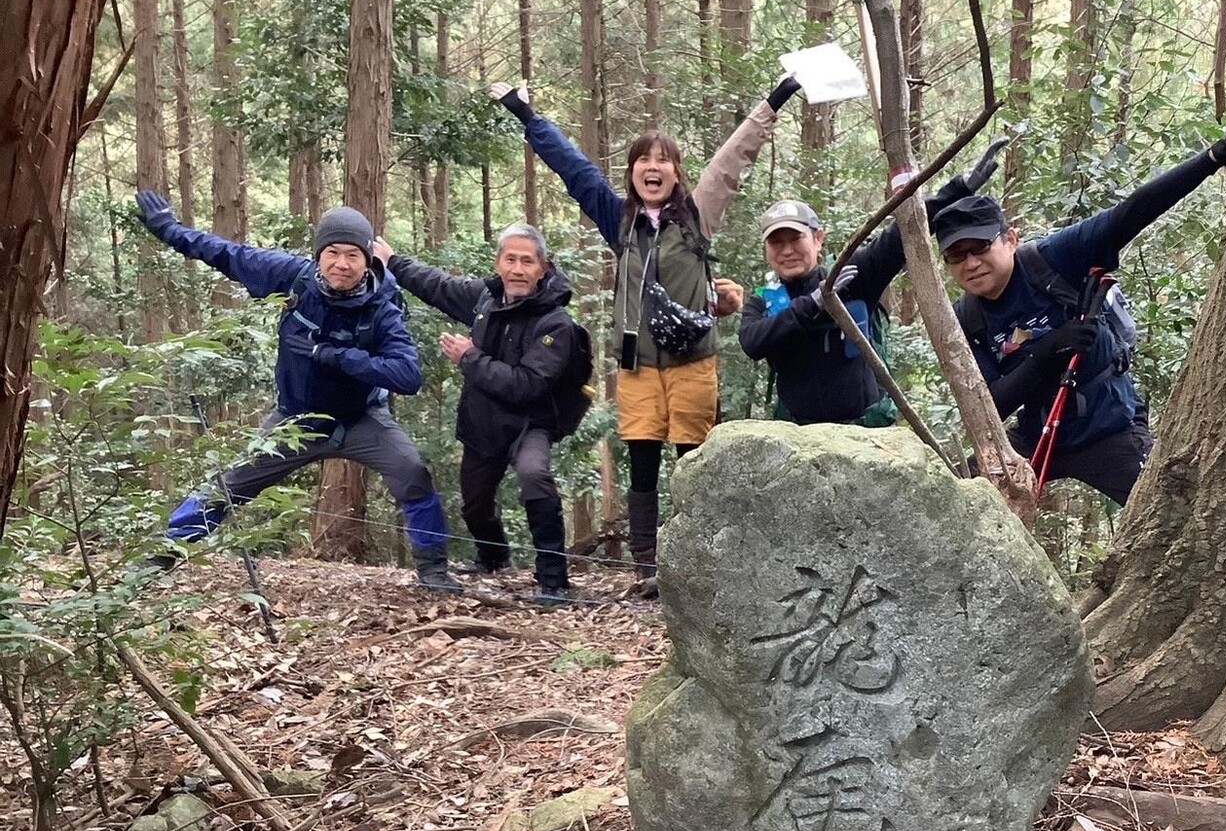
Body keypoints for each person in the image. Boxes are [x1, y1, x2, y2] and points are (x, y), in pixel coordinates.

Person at [490, 76, 801, 594]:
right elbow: (572, 168)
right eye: (643, 160)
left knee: (692, 463)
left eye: (663, 160)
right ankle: (648, 569)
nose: (652, 168)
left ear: (676, 172)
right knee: (641, 463)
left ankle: (700, 563)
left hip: (692, 362)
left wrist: (774, 100)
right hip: (637, 365)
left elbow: (732, 159)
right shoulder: (620, 221)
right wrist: (525, 114)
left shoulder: (697, 217)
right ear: (633, 172)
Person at [134, 192, 463, 593]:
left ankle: (434, 572)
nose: (342, 263)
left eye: (353, 255)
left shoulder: (382, 306)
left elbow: (408, 375)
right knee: (230, 484)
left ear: (368, 261)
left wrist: (338, 356)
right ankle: (163, 555)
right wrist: (169, 230)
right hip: (295, 419)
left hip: (362, 421)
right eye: (333, 252)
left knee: (412, 473)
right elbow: (225, 253)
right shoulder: (294, 277)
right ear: (319, 255)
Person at [936, 116, 1226, 505]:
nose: (970, 264)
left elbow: (1132, 212)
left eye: (980, 248)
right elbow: (992, 405)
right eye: (956, 256)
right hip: (1033, 437)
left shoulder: (1053, 258)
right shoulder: (965, 317)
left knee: (1165, 515)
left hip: (1109, 428)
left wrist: (1215, 156)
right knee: (955, 498)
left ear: (1010, 240)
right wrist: (1048, 351)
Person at [373, 225, 588, 608]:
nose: (518, 269)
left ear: (543, 268)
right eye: (511, 259)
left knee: (534, 474)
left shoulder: (556, 323)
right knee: (474, 504)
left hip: (531, 422)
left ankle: (553, 581)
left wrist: (469, 358)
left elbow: (527, 385)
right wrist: (392, 262)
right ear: (499, 263)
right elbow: (437, 285)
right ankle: (494, 558)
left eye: (527, 261)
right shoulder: (484, 300)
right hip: (484, 421)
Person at [738, 143, 1007, 426]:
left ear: (818, 239)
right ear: (766, 250)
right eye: (776, 243)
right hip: (797, 436)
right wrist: (814, 302)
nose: (787, 250)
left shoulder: (850, 276)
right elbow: (752, 343)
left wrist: (960, 188)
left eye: (795, 239)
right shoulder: (765, 300)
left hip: (865, 434)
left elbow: (899, 235)